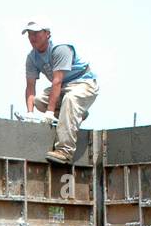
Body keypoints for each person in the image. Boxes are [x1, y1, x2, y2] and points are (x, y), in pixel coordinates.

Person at [22, 21, 98, 164]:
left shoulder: (60, 49)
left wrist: (50, 112)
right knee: (39, 101)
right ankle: (76, 113)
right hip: (63, 86)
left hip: (83, 83)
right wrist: (30, 113)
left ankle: (64, 151)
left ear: (47, 34)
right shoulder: (32, 57)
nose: (32, 37)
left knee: (70, 99)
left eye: (36, 33)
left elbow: (57, 81)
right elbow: (30, 86)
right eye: (29, 34)